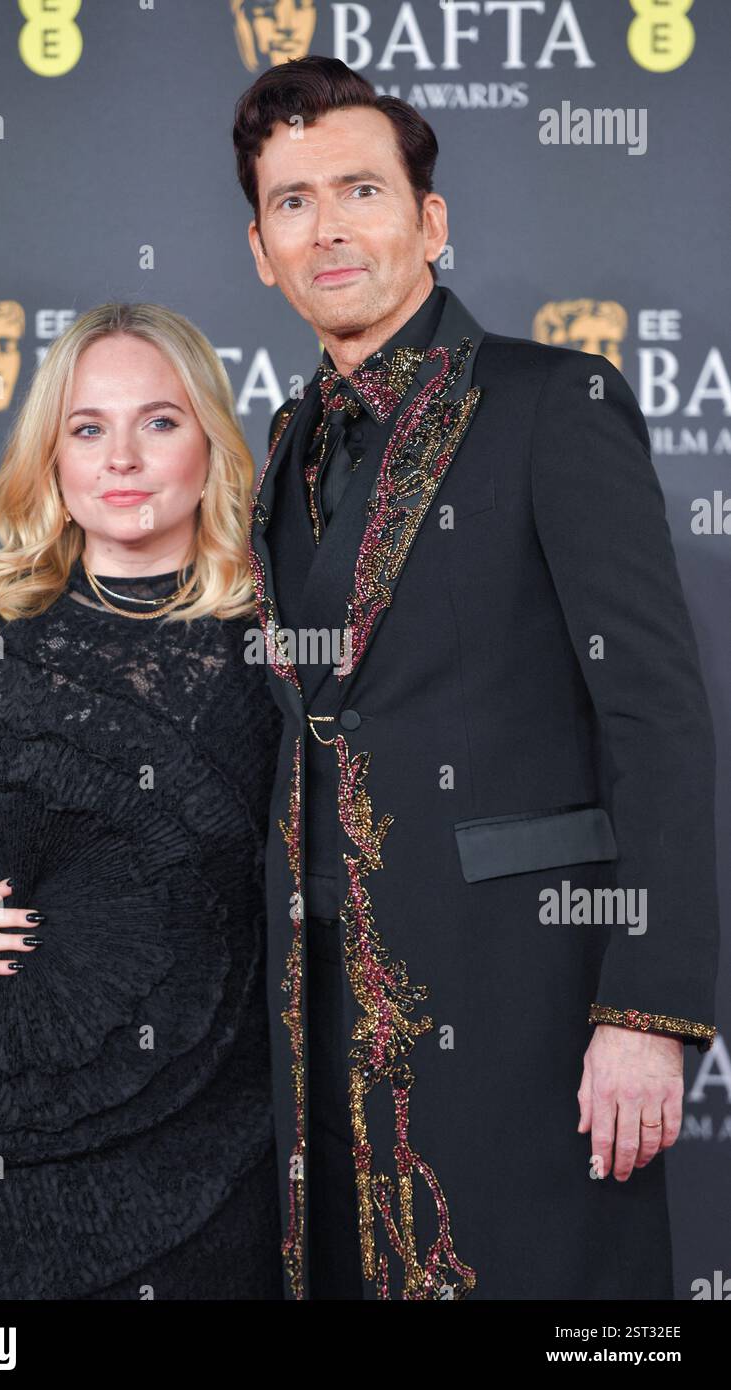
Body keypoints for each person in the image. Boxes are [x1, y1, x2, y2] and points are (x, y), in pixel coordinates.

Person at [232, 55, 720, 1300]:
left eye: (359, 190)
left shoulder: (554, 401)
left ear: (429, 219)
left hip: (526, 1000)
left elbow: (654, 713)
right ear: (259, 251)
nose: (326, 228)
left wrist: (646, 1009)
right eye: (292, 202)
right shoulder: (283, 443)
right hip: (320, 1023)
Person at [0, 302, 285, 1300]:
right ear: (49, 456)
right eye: (88, 428)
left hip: (225, 1159)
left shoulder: (280, 639)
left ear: (210, 444)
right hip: (2, 1163)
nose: (122, 458)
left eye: (159, 422)